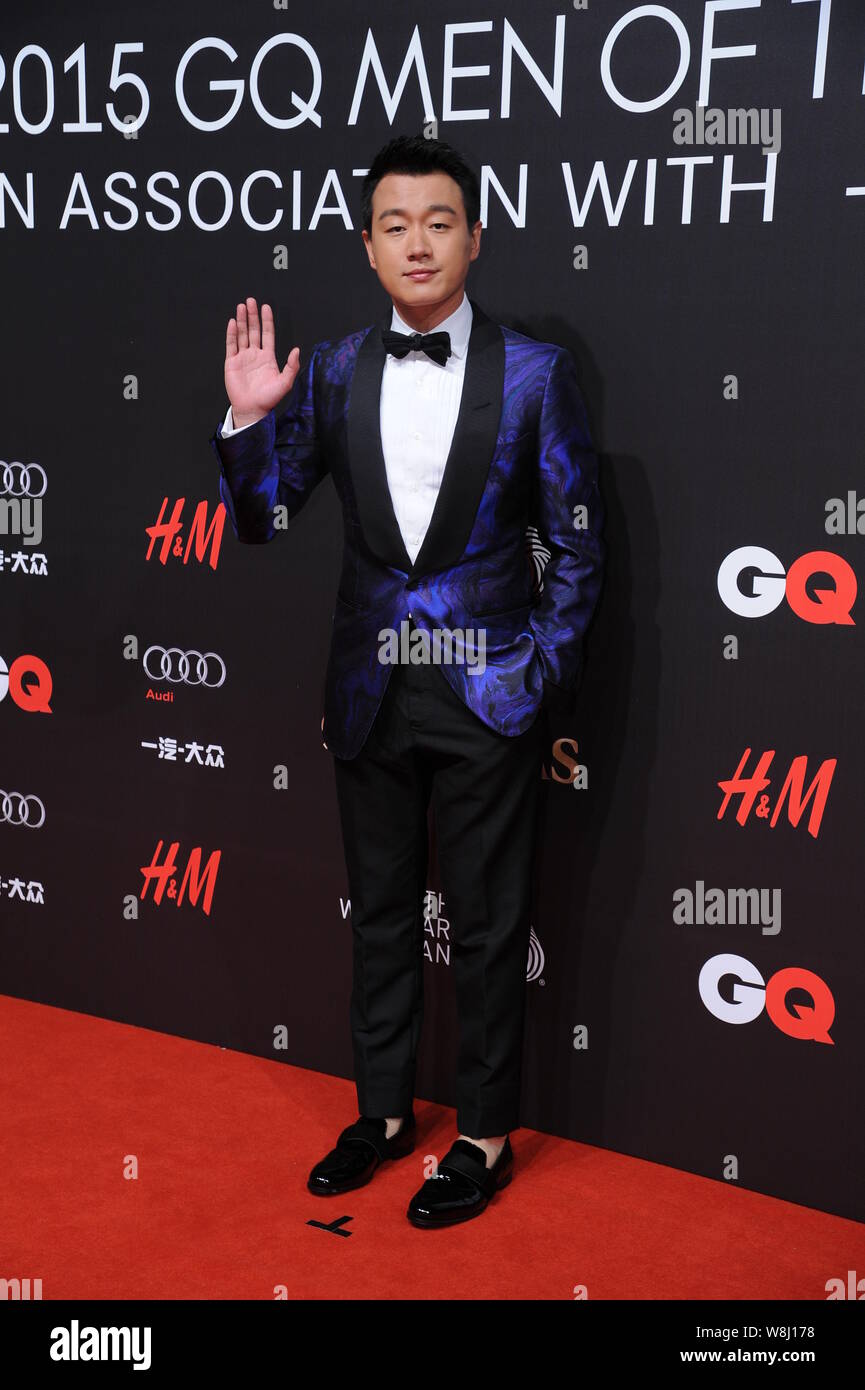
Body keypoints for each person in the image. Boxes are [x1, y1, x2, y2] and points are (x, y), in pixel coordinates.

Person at [210, 134, 606, 1228]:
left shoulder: (536, 372)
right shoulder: (331, 366)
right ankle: (382, 1113)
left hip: (489, 693)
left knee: (488, 921)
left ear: (473, 238)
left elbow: (577, 547)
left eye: (439, 221)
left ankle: (481, 1135)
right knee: (380, 913)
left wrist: (538, 676)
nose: (418, 241)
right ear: (370, 247)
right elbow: (264, 517)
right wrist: (250, 421)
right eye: (396, 224)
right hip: (371, 687)